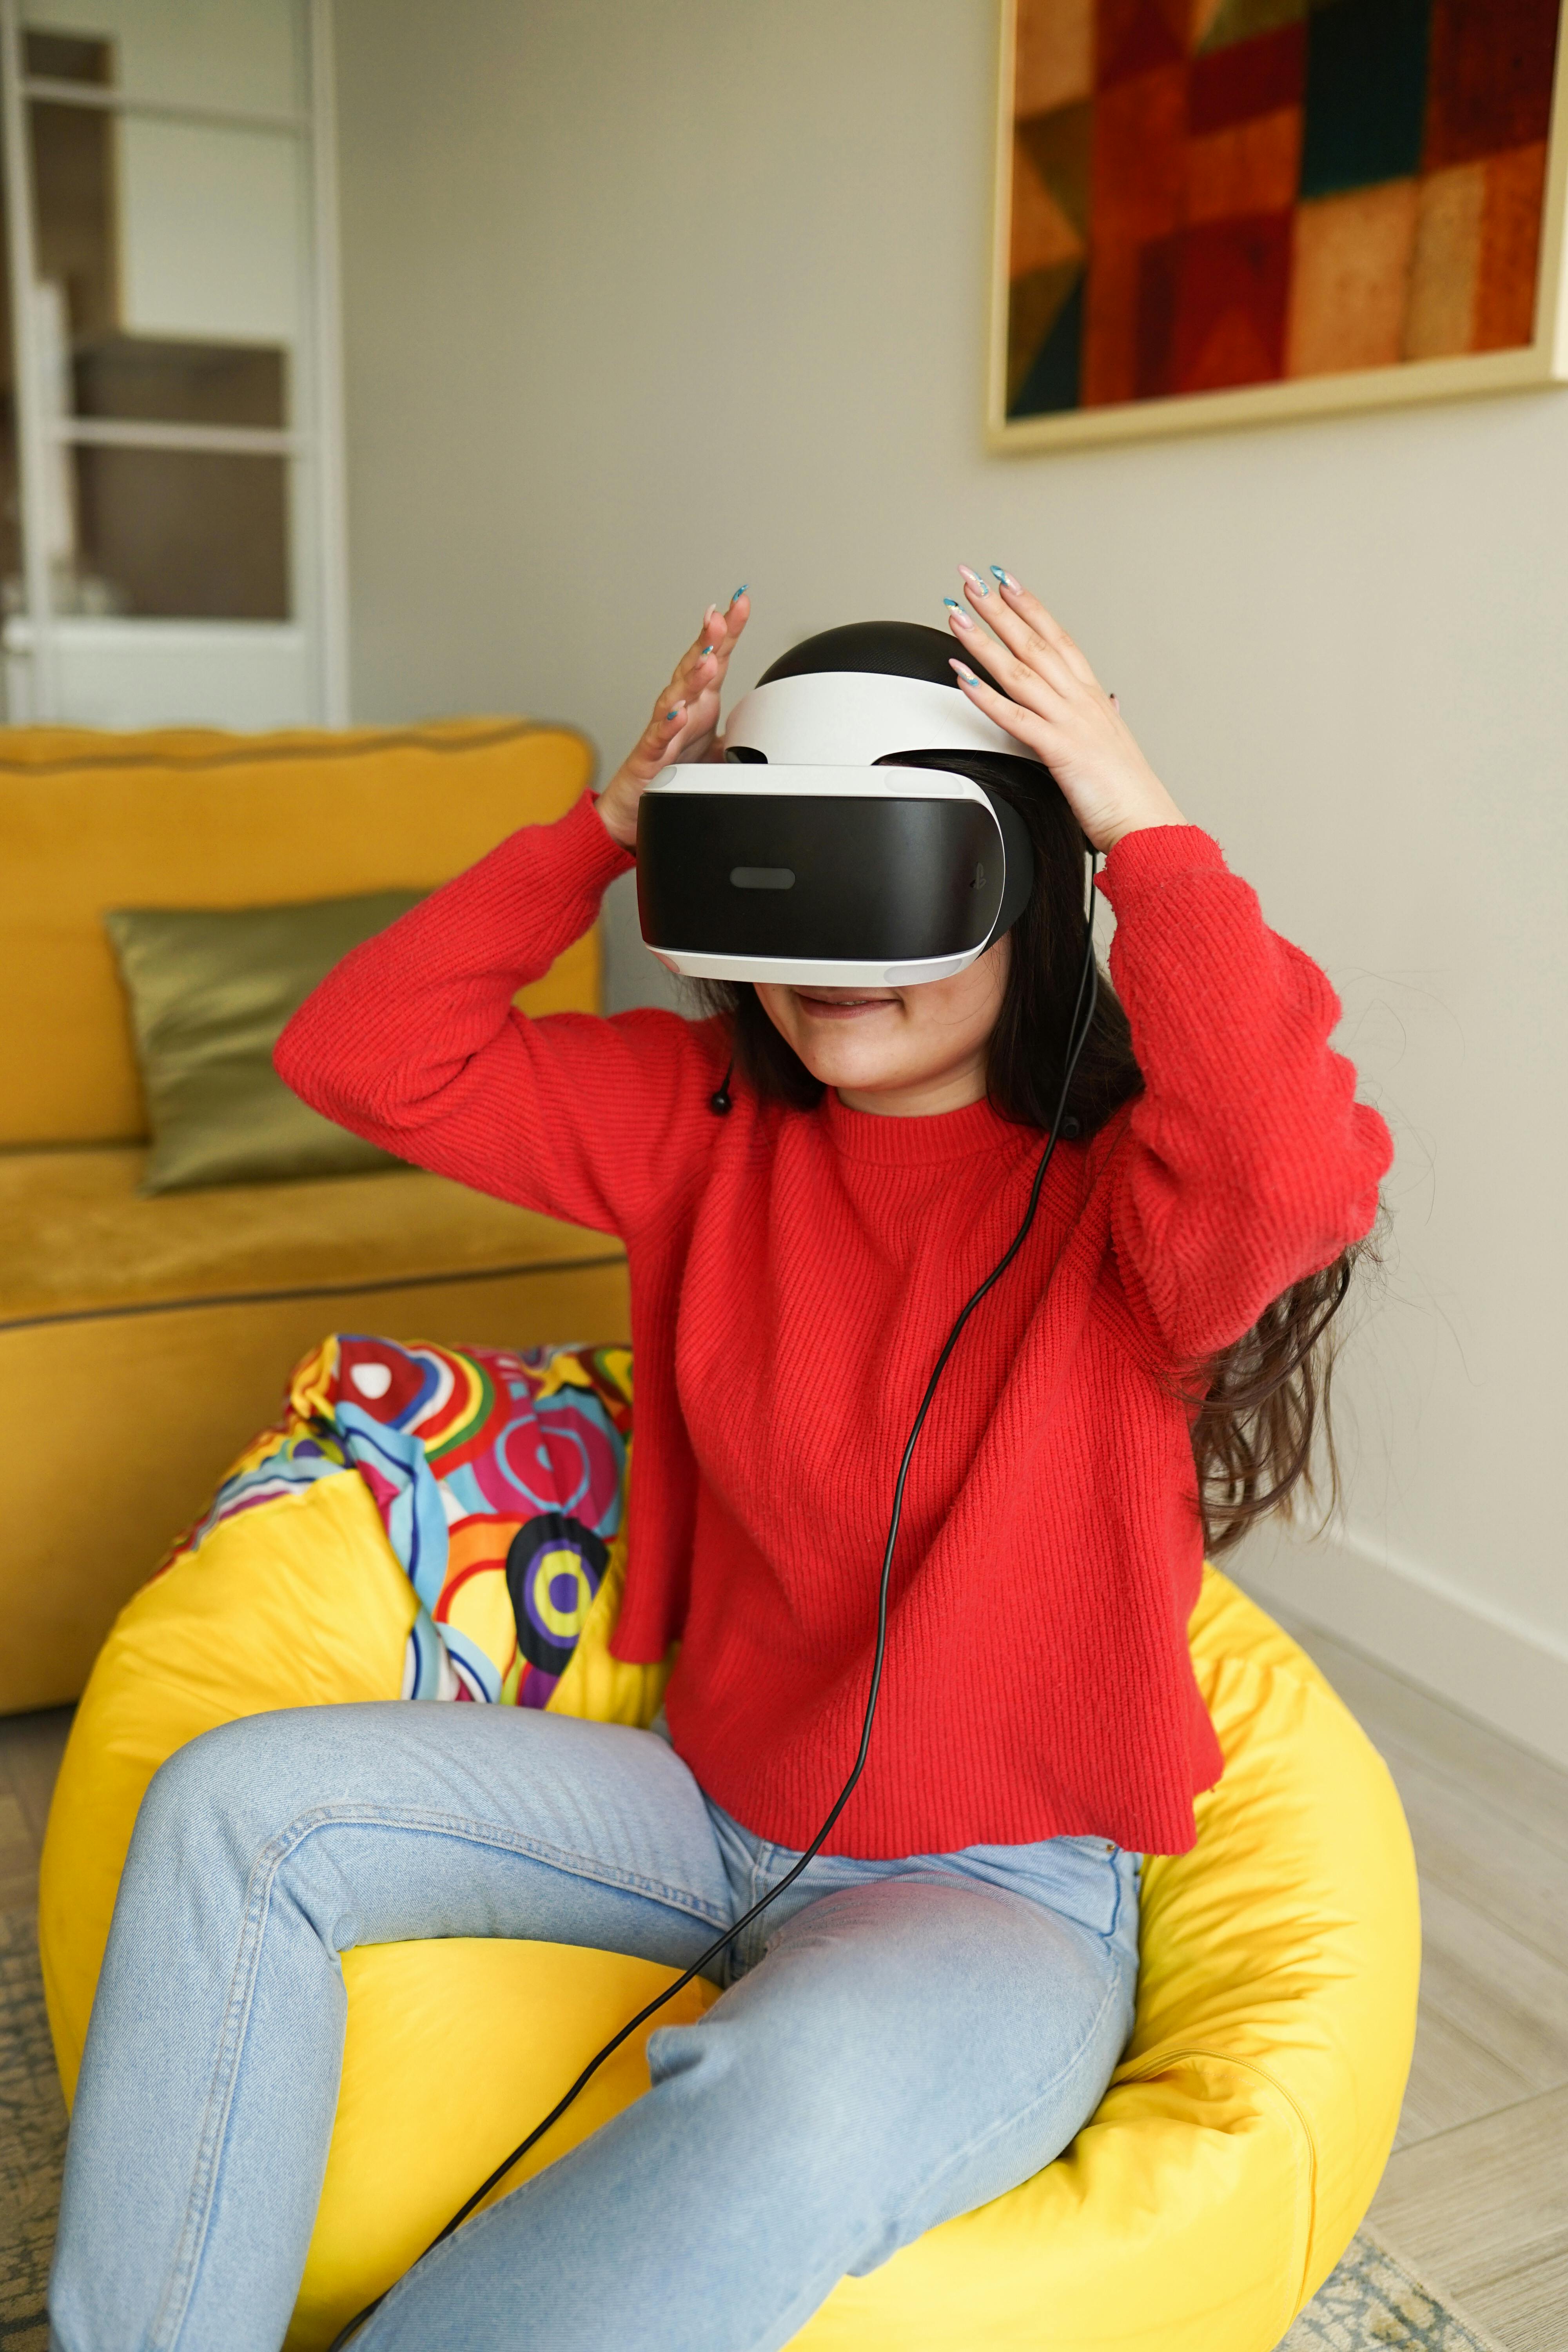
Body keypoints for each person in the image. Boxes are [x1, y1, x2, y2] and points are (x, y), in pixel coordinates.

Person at [48, 571, 1391, 2352]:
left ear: (1018, 884)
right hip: (701, 1810)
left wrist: (1133, 820)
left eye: (881, 881)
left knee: (794, 2091)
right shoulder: (701, 1119)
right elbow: (356, 1053)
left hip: (994, 1891)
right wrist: (605, 831)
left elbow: (1295, 1174)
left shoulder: (1131, 1213)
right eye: (783, 877)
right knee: (233, 1805)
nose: (827, 962)